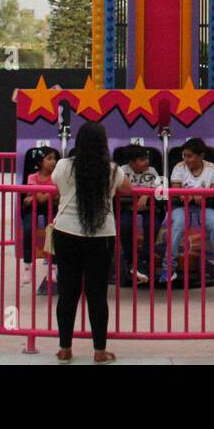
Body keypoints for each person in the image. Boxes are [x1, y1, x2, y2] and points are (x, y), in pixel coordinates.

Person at [50, 122, 132, 363]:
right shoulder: (112, 170)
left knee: (67, 293)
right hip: (100, 237)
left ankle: (65, 348)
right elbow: (128, 188)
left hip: (66, 232)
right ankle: (99, 351)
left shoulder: (64, 166)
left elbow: (56, 184)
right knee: (97, 294)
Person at [162, 138, 214, 282]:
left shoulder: (211, 168)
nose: (186, 159)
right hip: (181, 206)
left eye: (190, 156)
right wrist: (190, 195)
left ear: (201, 156)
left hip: (205, 206)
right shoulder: (179, 167)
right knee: (177, 226)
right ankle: (168, 269)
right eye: (185, 155)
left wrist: (199, 195)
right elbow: (176, 191)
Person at [116, 146, 160, 284]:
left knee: (152, 224)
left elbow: (159, 190)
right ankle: (131, 262)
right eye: (142, 160)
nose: (146, 162)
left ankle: (143, 262)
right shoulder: (121, 171)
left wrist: (147, 194)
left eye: (147, 158)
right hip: (126, 207)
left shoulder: (152, 171)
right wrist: (137, 196)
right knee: (125, 225)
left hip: (149, 208)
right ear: (132, 163)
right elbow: (117, 190)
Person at [22, 147, 60, 283]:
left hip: (52, 209)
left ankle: (52, 267)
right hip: (32, 209)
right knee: (28, 230)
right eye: (49, 158)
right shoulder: (32, 177)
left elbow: (42, 196)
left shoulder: (56, 176)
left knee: (53, 232)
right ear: (40, 162)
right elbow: (42, 198)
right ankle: (27, 266)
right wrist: (51, 194)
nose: (53, 162)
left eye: (55, 158)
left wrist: (38, 196)